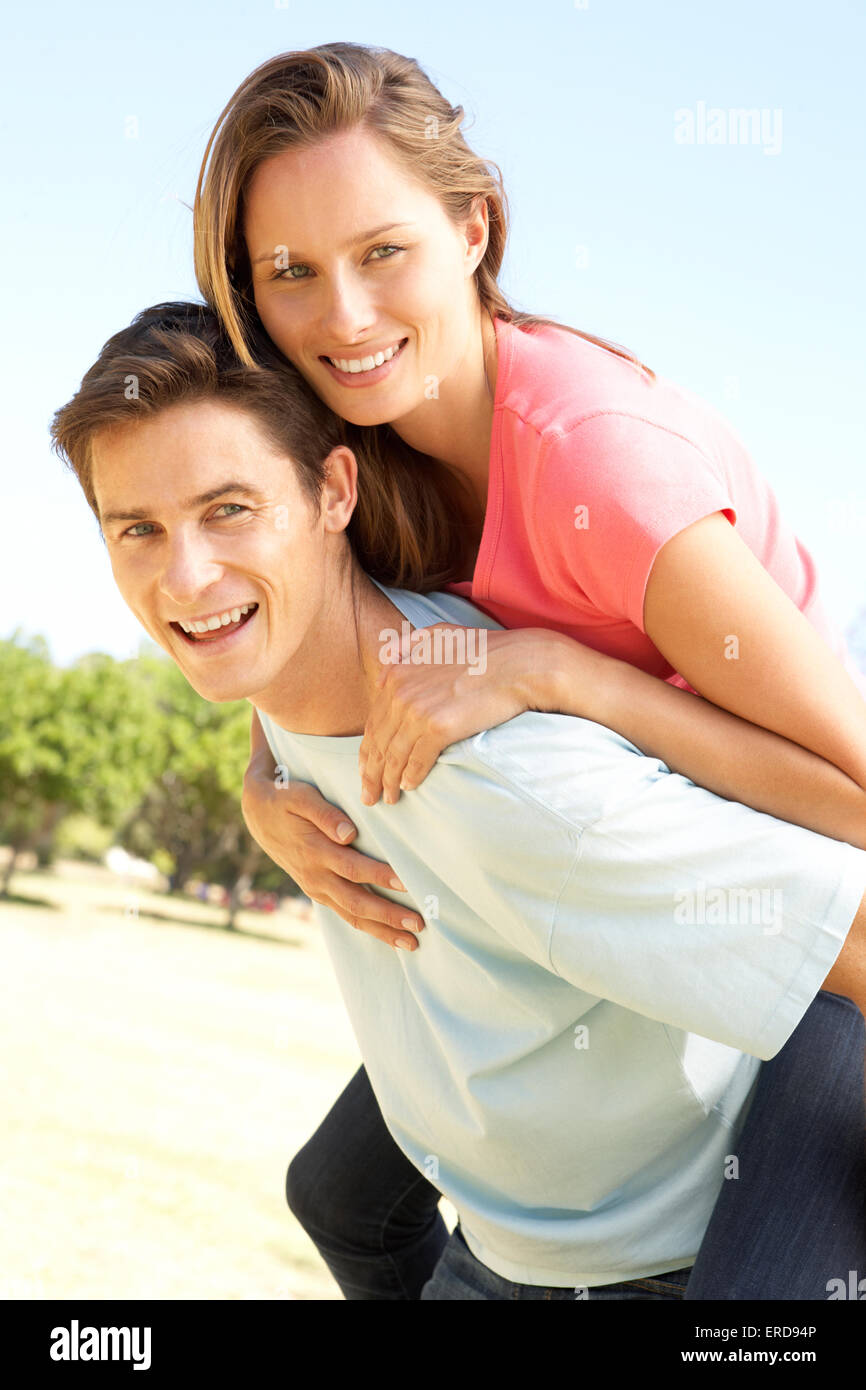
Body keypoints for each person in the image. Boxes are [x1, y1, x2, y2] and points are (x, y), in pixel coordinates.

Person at [191, 43, 866, 1298]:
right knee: (342, 1193)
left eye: (380, 250)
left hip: (827, 938)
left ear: (470, 227)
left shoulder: (596, 469)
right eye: (289, 273)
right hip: (635, 903)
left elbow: (857, 803)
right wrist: (259, 774)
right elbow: (291, 610)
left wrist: (568, 673)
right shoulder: (353, 438)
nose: (340, 314)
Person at [51, 302, 866, 1300]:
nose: (184, 576)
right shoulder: (299, 671)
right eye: (137, 528)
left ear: (331, 491)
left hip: (640, 1268)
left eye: (228, 510)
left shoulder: (502, 772)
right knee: (337, 1193)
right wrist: (258, 779)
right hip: (502, 1240)